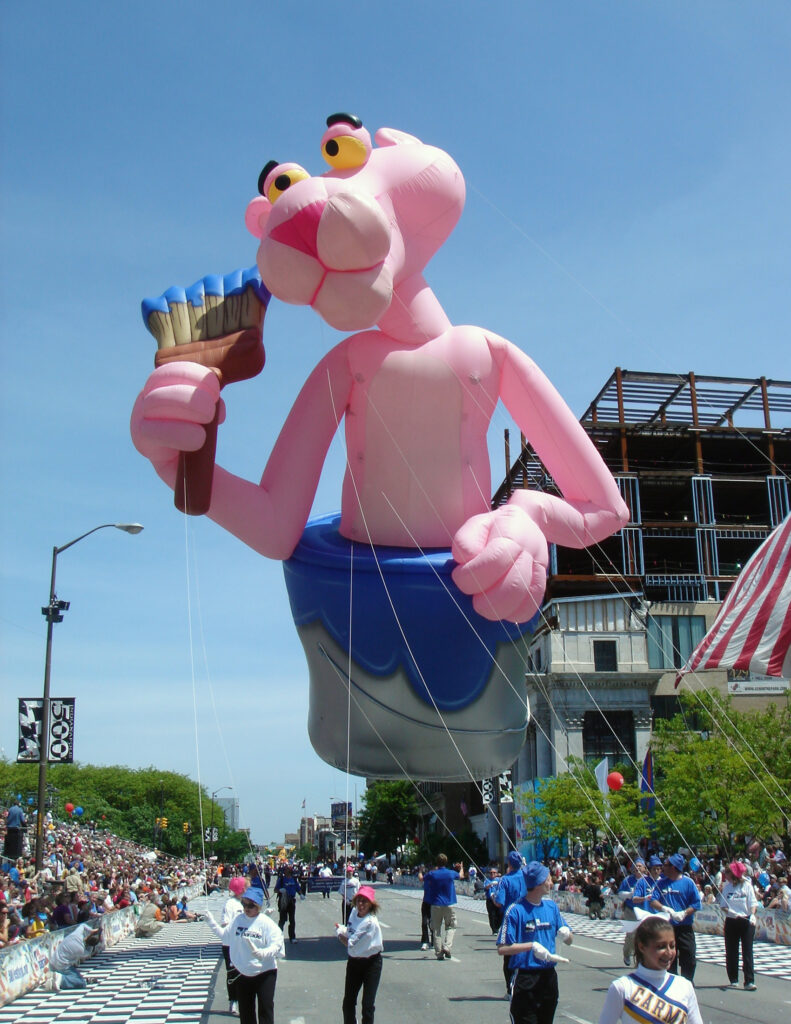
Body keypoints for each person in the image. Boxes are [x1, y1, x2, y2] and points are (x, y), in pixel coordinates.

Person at [497, 861, 573, 1023]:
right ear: (538, 883)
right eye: (548, 880)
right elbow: (503, 948)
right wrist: (531, 947)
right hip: (526, 978)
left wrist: (566, 935)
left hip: (548, 978)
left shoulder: (551, 907)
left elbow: (569, 940)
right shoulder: (515, 910)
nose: (551, 883)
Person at [205, 886, 284, 1024]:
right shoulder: (238, 920)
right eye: (244, 904)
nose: (247, 908)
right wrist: (211, 922)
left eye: (251, 905)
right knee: (246, 1012)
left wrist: (263, 953)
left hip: (264, 972)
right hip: (242, 972)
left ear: (258, 906)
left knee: (265, 1010)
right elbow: (225, 936)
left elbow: (277, 943)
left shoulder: (266, 923)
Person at [335, 886, 383, 1024]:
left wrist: (338, 934)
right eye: (359, 901)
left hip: (371, 964)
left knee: (367, 1006)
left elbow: (350, 942)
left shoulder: (370, 922)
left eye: (365, 902)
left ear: (371, 904)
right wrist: (341, 928)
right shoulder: (354, 913)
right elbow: (350, 931)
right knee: (348, 1002)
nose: (361, 905)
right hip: (354, 962)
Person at [649, 854, 700, 981]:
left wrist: (684, 913)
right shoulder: (661, 883)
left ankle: (687, 981)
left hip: (684, 927)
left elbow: (696, 904)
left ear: (674, 867)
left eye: (665, 865)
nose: (662, 868)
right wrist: (666, 909)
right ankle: (670, 980)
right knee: (668, 955)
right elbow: (653, 900)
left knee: (689, 955)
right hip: (667, 927)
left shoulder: (688, 883)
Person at [718, 861, 759, 991]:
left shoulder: (747, 885)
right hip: (731, 920)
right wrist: (730, 912)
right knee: (731, 950)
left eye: (728, 872)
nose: (726, 874)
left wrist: (752, 915)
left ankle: (749, 981)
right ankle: (733, 978)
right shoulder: (727, 887)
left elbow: (753, 902)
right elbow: (723, 905)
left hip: (746, 921)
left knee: (747, 951)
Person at [494, 850, 527, 992]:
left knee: (508, 955)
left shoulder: (505, 880)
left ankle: (510, 988)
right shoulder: (527, 877)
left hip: (511, 919)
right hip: (528, 917)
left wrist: (492, 898)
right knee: (525, 951)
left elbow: (499, 902)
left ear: (509, 864)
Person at [422, 853, 463, 960]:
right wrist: (462, 868)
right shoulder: (450, 873)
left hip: (435, 905)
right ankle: (447, 946)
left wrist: (420, 871)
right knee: (451, 926)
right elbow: (461, 876)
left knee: (436, 929)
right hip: (449, 904)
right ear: (446, 862)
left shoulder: (432, 874)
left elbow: (422, 878)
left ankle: (439, 952)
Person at [221, 877, 248, 1013]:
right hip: (230, 944)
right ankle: (233, 1000)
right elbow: (225, 924)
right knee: (232, 973)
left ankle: (243, 1001)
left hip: (244, 944)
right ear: (241, 889)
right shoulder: (230, 904)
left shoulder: (246, 902)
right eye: (246, 887)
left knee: (245, 972)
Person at [48, 923, 102, 989]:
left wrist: (92, 930)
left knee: (77, 977)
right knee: (81, 983)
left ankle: (57, 976)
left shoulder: (77, 934)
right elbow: (89, 950)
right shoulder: (82, 951)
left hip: (53, 961)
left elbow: (83, 925)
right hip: (63, 967)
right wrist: (98, 939)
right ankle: (60, 979)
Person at [617, 858, 645, 965]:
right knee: (631, 934)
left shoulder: (646, 880)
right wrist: (629, 894)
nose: (637, 868)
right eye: (635, 866)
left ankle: (640, 958)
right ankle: (627, 953)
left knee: (643, 935)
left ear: (644, 868)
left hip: (643, 911)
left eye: (639, 866)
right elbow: (620, 894)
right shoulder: (628, 880)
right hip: (631, 910)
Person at [274, 864, 302, 943]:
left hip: (291, 900)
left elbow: (297, 888)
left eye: (289, 870)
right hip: (283, 900)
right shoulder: (282, 879)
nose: (288, 871)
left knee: (292, 919)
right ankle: (278, 936)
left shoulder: (293, 879)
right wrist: (280, 890)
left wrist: (301, 894)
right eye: (286, 869)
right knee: (282, 919)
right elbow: (275, 890)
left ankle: (292, 937)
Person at [484, 866, 502, 934]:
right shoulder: (487, 880)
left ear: (497, 873)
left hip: (498, 899)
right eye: (491, 872)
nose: (492, 874)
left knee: (500, 914)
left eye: (494, 872)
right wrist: (490, 884)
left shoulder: (500, 880)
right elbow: (486, 888)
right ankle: (494, 930)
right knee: (492, 915)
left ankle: (498, 927)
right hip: (490, 900)